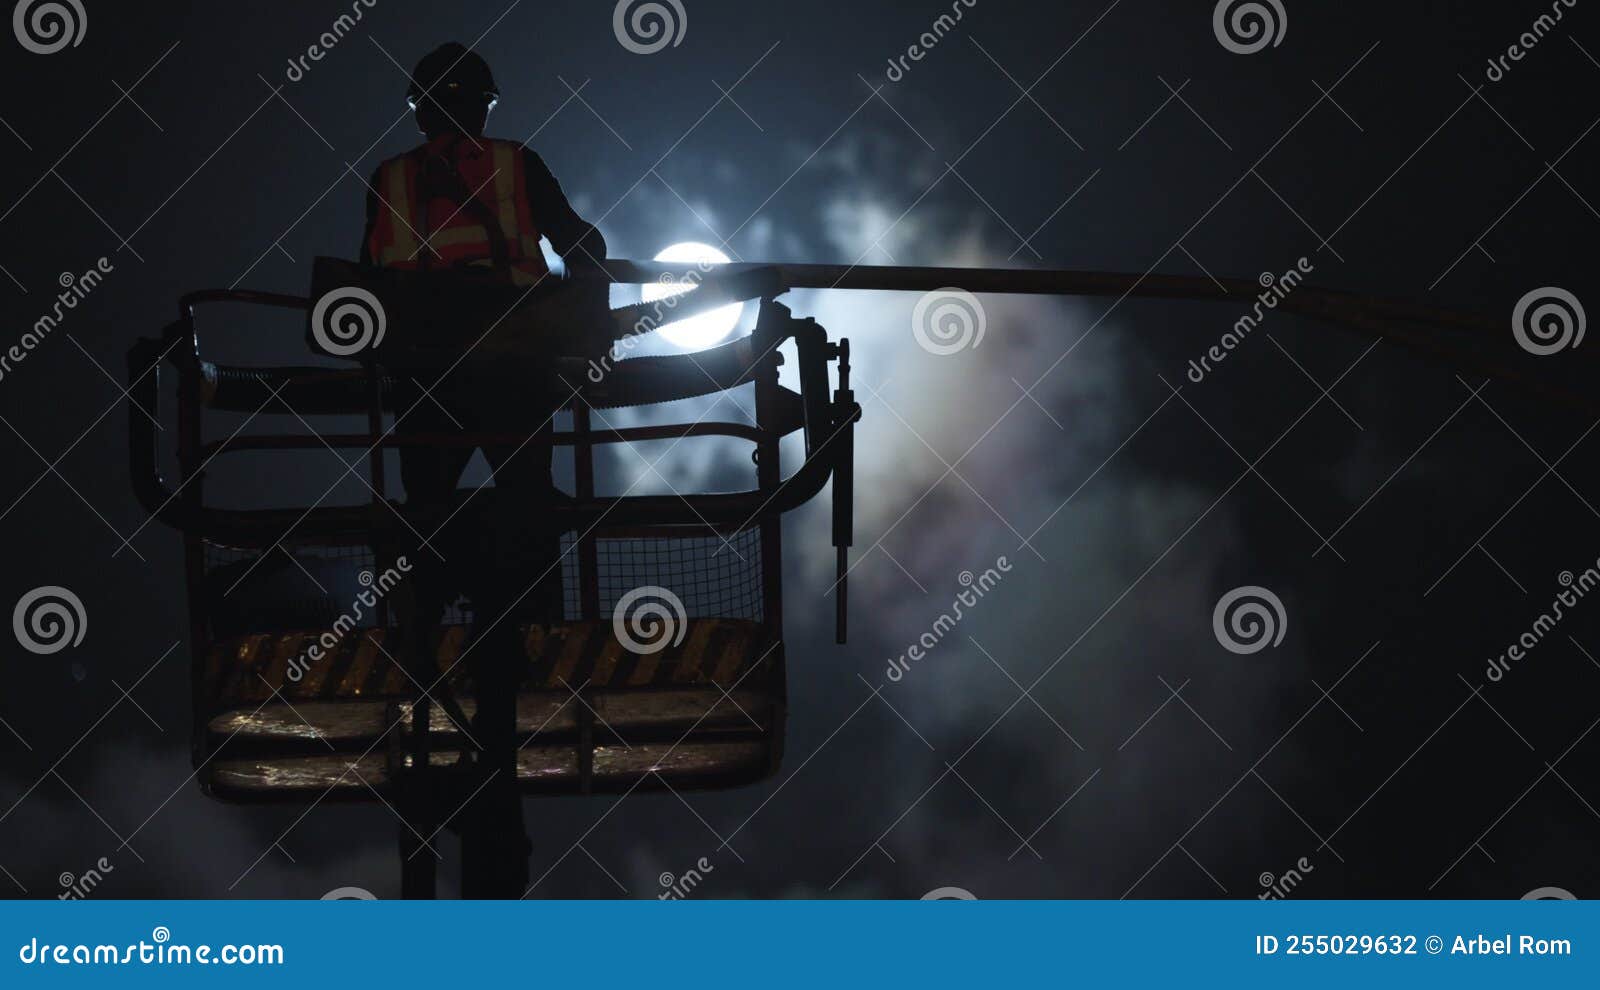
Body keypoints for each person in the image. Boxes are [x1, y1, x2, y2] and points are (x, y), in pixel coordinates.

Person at [360, 42, 607, 898]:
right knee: (529, 498)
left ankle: (422, 620)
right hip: (510, 365)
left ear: (420, 108)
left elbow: (366, 283)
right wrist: (585, 311)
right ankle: (525, 621)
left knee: (425, 511)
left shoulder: (389, 179)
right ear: (483, 107)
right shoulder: (515, 166)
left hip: (426, 377)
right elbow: (582, 245)